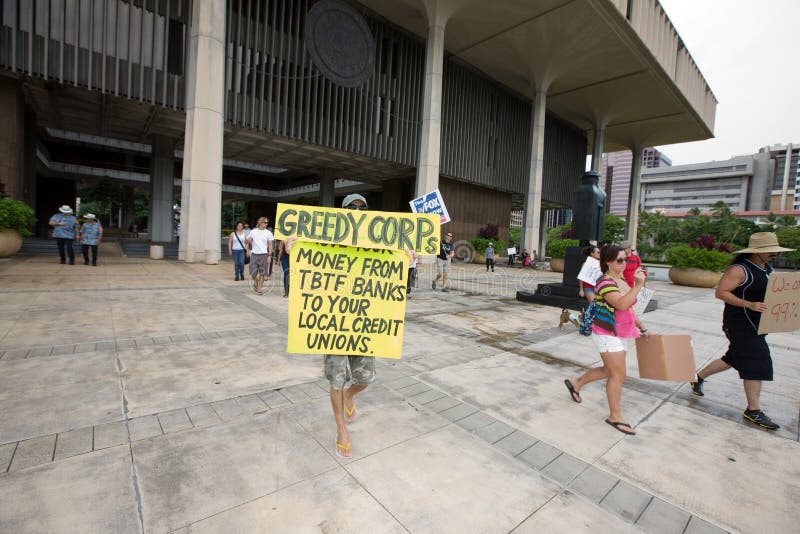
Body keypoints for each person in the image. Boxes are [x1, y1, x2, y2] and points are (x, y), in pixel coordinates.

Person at [690, 232, 795, 430]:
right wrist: (748, 304)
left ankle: (697, 377)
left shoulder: (767, 268)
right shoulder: (739, 270)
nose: (773, 253)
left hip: (758, 323)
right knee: (757, 361)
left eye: (774, 250)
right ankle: (753, 410)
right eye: (768, 250)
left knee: (733, 358)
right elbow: (721, 292)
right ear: (756, 252)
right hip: (739, 323)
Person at [564, 244, 648, 436]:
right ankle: (615, 416)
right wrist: (638, 285)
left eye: (626, 259)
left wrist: (642, 326)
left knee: (609, 370)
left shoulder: (621, 280)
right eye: (620, 260)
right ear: (608, 262)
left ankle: (577, 383)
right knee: (618, 375)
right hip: (606, 333)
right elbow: (621, 303)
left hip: (620, 332)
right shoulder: (604, 282)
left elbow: (629, 308)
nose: (624, 263)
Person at [327, 193, 374, 459]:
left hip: (363, 319)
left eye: (361, 207)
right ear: (342, 211)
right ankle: (341, 431)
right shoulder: (329, 237)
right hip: (333, 318)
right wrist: (292, 246)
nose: (356, 211)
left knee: (366, 377)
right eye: (351, 207)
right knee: (336, 378)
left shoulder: (377, 241)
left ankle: (349, 395)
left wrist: (407, 256)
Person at [246, 217, 273, 295]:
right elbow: (247, 241)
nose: (266, 224)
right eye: (265, 222)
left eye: (267, 223)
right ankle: (255, 281)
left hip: (264, 254)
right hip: (254, 254)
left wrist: (269, 255)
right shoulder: (253, 231)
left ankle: (260, 288)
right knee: (253, 272)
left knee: (263, 272)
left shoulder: (268, 233)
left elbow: (270, 245)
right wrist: (248, 251)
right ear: (260, 223)